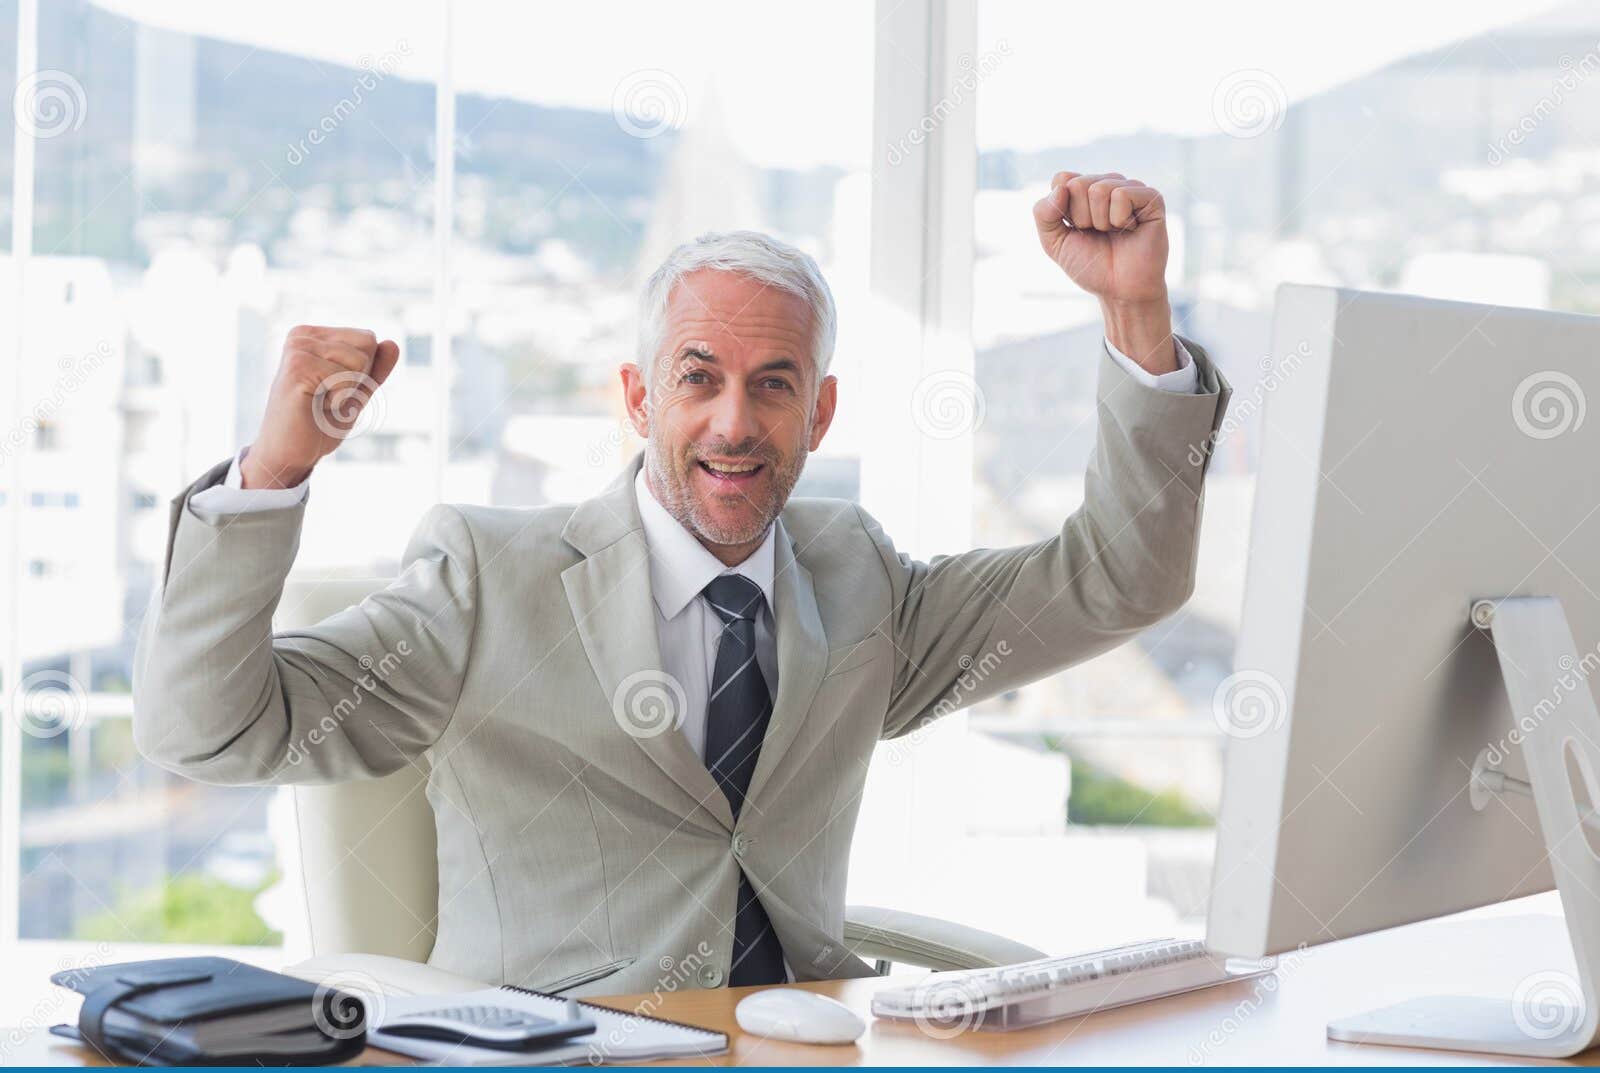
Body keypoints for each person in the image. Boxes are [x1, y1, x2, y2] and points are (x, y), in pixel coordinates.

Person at [134, 171, 1232, 994]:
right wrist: (273, 472)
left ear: (820, 414)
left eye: (773, 385)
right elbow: (211, 732)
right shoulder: (488, 579)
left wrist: (1133, 315)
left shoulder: (856, 580)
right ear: (638, 396)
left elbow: (1115, 579)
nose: (732, 423)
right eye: (697, 379)